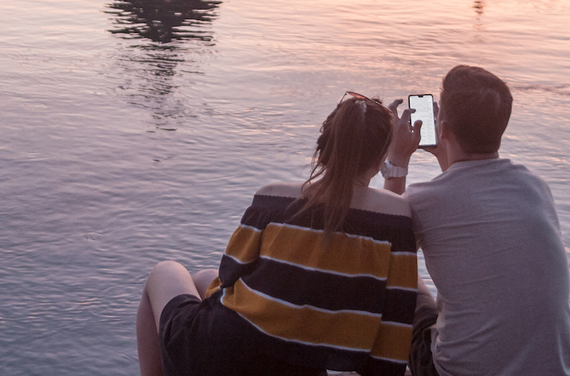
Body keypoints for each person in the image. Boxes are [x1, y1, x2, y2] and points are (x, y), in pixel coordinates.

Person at [135, 93, 419, 376]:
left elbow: (228, 275)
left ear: (324, 145)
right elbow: (395, 313)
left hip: (216, 351)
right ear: (381, 155)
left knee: (166, 271)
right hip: (296, 366)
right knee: (201, 278)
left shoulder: (273, 198)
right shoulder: (395, 218)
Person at [381, 65, 570, 376]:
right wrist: (445, 150)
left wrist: (397, 162)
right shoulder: (534, 187)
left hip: (457, 372)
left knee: (406, 277)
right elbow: (470, 193)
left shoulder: (423, 201)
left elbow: (383, 248)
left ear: (443, 128)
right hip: (559, 369)